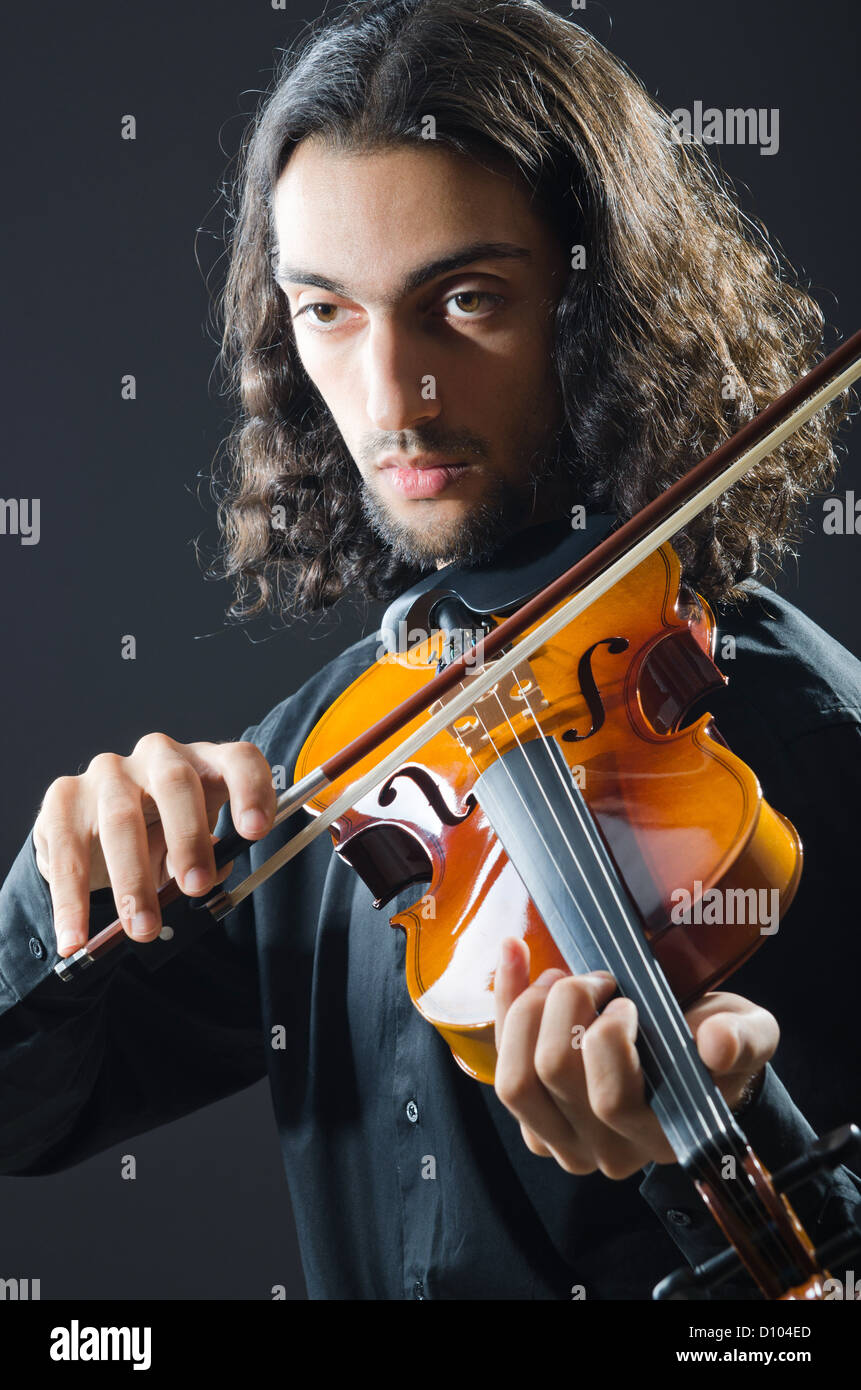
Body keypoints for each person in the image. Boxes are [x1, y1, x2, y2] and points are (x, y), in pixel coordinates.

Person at [1, 0, 859, 1300]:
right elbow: (23, 1116)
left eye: (463, 299)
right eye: (326, 311)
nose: (390, 391)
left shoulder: (807, 738)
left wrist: (719, 1166)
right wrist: (49, 901)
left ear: (598, 304)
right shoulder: (334, 762)